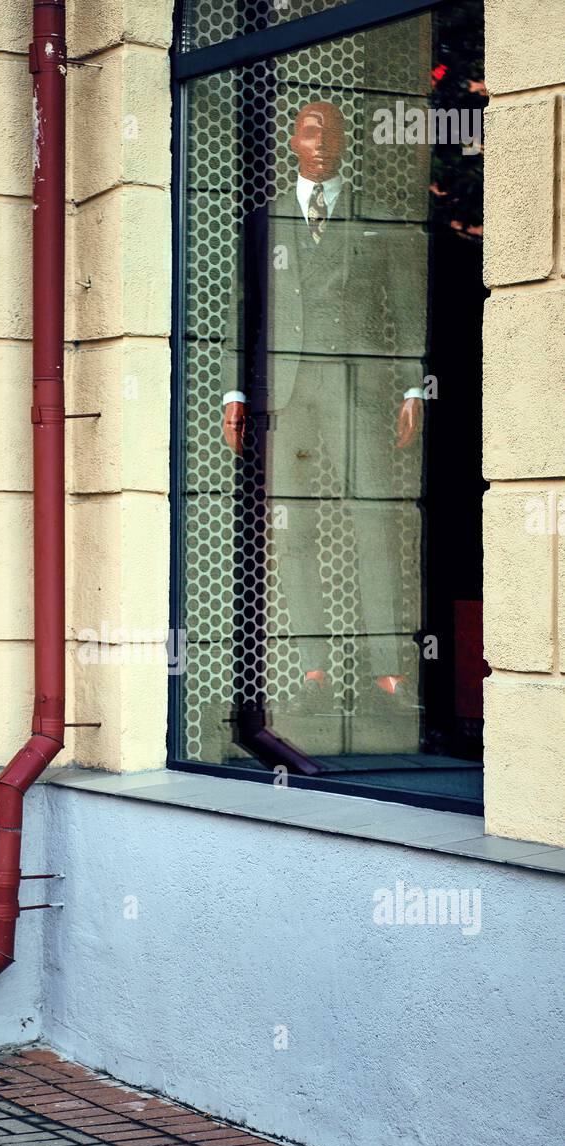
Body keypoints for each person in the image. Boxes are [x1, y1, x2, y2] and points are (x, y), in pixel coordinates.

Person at [220, 100, 429, 754]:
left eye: (333, 131)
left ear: (344, 143)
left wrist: (411, 384)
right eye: (311, 129)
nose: (323, 140)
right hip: (286, 397)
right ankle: (313, 670)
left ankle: (388, 671)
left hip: (358, 394)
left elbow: (406, 303)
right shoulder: (265, 220)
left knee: (375, 523)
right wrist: (234, 392)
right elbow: (244, 307)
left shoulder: (377, 218)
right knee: (296, 534)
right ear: (292, 140)